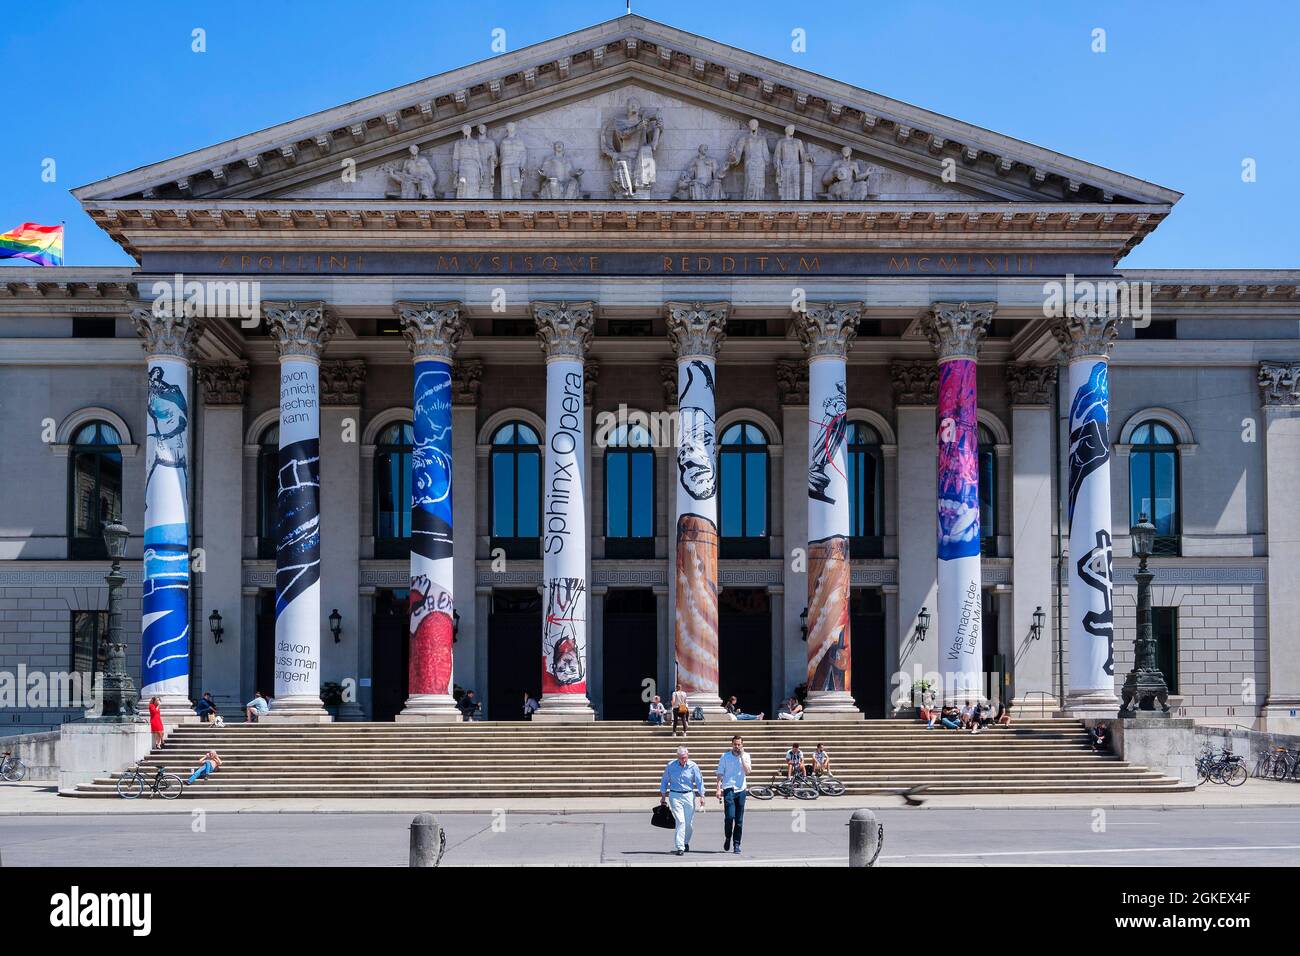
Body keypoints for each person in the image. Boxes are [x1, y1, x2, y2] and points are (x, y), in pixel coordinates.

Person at [659, 746, 705, 855]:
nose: (683, 760)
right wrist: (663, 796)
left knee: (689, 823)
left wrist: (702, 796)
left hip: (689, 795)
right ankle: (680, 847)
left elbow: (699, 781)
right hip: (675, 795)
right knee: (681, 821)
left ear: (687, 756)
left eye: (685, 757)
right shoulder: (671, 765)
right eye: (681, 758)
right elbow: (664, 780)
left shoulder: (693, 766)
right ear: (677, 757)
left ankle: (685, 842)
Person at [715, 735, 751, 854]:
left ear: (742, 745)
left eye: (739, 744)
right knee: (729, 817)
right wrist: (718, 788)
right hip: (729, 789)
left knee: (739, 820)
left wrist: (741, 757)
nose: (737, 747)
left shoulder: (746, 756)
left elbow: (748, 771)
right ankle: (728, 837)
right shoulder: (725, 757)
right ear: (732, 744)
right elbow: (720, 773)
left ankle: (736, 844)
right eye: (735, 744)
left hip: (741, 790)